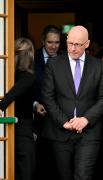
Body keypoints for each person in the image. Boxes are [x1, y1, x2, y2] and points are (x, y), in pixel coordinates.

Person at [40, 25, 103, 180]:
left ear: (87, 44)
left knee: (83, 176)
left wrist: (86, 119)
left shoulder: (99, 66)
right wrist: (64, 122)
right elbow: (47, 97)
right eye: (70, 43)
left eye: (77, 44)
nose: (72, 48)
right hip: (60, 132)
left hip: (89, 133)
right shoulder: (53, 64)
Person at [0, 37, 36, 180]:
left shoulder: (6, 76)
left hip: (8, 128)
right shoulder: (27, 77)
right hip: (23, 130)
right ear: (30, 56)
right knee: (26, 171)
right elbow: (12, 96)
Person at [33, 24, 61, 179]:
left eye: (57, 42)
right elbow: (25, 86)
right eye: (50, 42)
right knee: (38, 161)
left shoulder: (65, 59)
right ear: (43, 41)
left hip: (59, 119)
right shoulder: (32, 58)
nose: (53, 46)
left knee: (58, 162)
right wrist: (35, 104)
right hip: (37, 119)